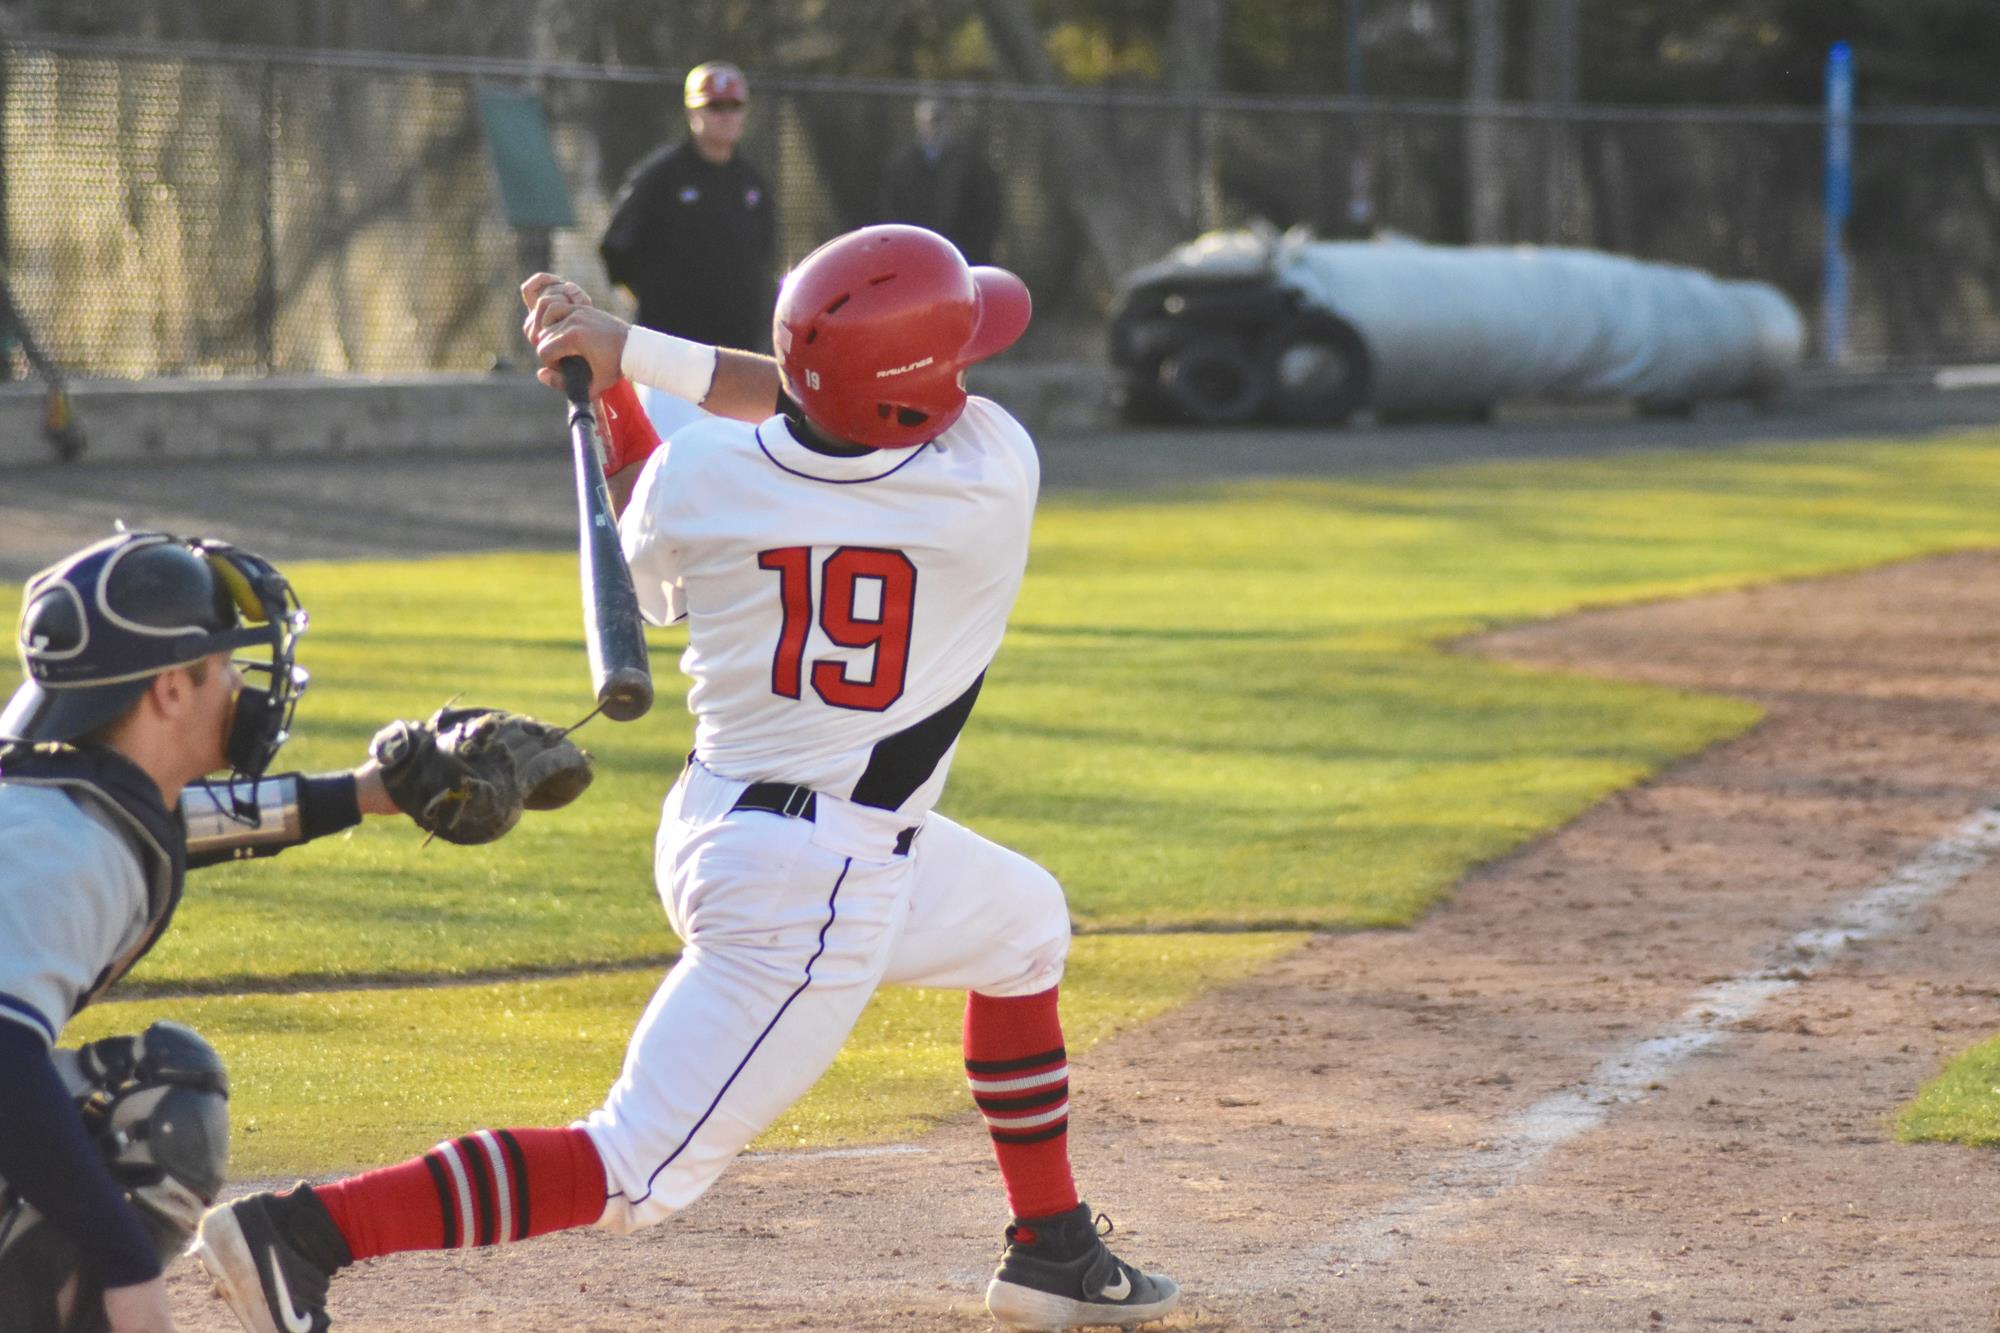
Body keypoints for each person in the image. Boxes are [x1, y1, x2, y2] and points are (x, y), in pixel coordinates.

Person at [194, 225, 1181, 1333]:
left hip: (723, 818)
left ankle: (1051, 1249)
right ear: (913, 398)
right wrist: (636, 358)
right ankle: (305, 1231)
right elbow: (805, 401)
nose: (972, 371)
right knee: (635, 1171)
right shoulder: (989, 475)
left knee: (1022, 925)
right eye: (953, 358)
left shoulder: (702, 474)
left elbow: (662, 536)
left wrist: (612, 381)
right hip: (815, 883)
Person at [0, 532, 588, 1333]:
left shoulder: (56, 808)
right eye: (226, 666)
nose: (246, 685)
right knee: (155, 1105)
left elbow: (176, 829)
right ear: (171, 689)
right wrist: (130, 1274)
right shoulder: (67, 844)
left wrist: (372, 790)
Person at [599, 60, 776, 441]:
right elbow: (615, 247)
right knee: (668, 460)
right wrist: (648, 298)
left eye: (734, 106)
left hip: (737, 358)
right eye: (714, 106)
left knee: (733, 469)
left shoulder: (753, 184)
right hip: (670, 358)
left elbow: (764, 258)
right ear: (692, 111)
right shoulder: (661, 176)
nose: (725, 116)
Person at [880, 97, 1002, 266]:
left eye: (938, 120)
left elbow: (986, 211)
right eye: (928, 121)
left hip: (961, 255)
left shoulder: (971, 163)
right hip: (914, 254)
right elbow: (891, 208)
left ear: (950, 121)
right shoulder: (902, 163)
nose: (933, 127)